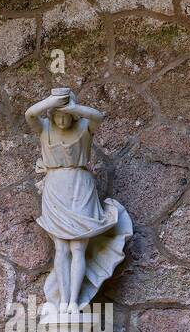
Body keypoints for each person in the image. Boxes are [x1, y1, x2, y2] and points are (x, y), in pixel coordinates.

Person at [25, 88, 132, 312]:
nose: (63, 119)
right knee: (61, 248)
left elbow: (98, 116)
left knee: (78, 247)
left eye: (67, 115)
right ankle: (63, 300)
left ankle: (74, 300)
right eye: (58, 114)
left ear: (74, 115)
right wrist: (51, 101)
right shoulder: (45, 129)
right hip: (56, 189)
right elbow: (30, 115)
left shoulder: (84, 128)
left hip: (80, 187)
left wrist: (73, 107)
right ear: (52, 115)